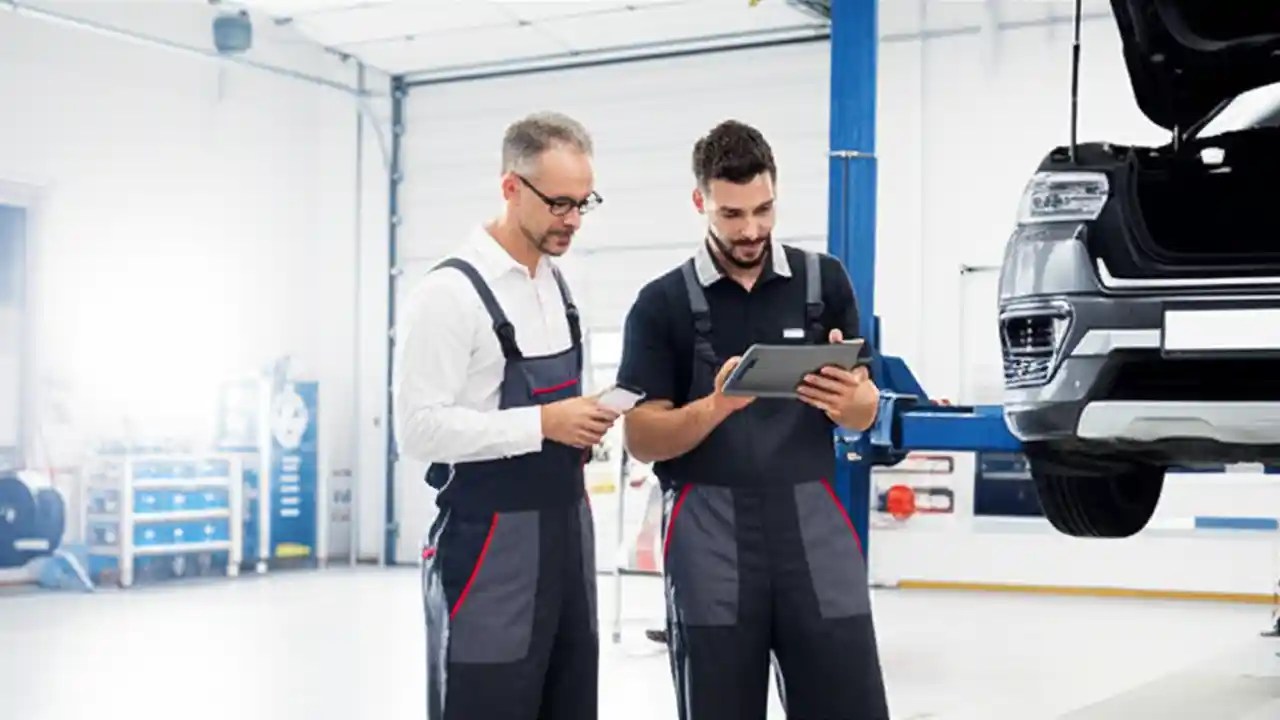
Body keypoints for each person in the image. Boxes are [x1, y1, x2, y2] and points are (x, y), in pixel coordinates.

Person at [617, 119, 891, 719]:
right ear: (701, 203)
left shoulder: (825, 281)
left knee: (850, 704)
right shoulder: (660, 303)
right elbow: (641, 436)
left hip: (813, 527)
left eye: (763, 210)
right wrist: (717, 406)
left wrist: (849, 403)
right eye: (732, 214)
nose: (751, 230)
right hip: (708, 537)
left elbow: (865, 407)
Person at [392, 111, 618, 720]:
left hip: (568, 533)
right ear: (511, 187)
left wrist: (588, 423)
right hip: (490, 544)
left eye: (583, 203)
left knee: (569, 699)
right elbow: (417, 428)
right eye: (559, 203)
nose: (572, 219)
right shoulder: (448, 296)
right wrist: (544, 425)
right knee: (486, 700)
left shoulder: (559, 285)